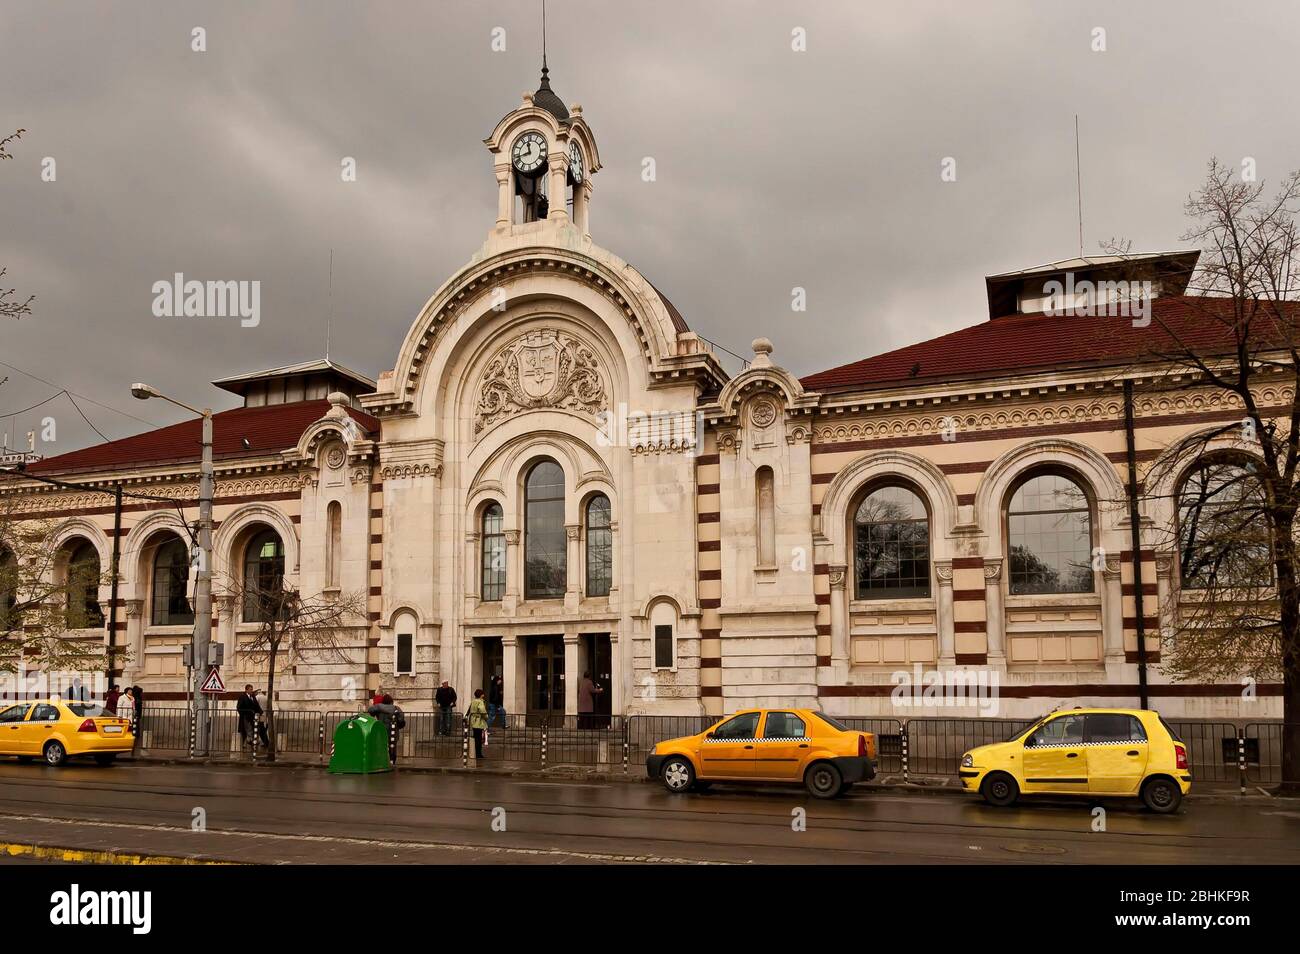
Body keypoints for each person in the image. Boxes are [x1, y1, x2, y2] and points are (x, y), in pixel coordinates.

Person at [367, 693, 406, 764]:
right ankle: (392, 761)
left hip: (382, 731)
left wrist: (376, 713)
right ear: (391, 701)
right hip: (393, 732)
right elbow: (401, 720)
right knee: (392, 747)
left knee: (381, 746)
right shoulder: (396, 708)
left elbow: (370, 710)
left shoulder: (379, 707)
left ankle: (382, 761)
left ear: (383, 701)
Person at [236, 684, 269, 751]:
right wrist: (244, 714)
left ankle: (266, 743)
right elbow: (239, 707)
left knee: (260, 728)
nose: (252, 691)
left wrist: (261, 712)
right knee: (245, 731)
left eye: (252, 689)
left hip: (254, 717)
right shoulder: (242, 697)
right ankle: (242, 744)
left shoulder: (253, 696)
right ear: (246, 690)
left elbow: (256, 706)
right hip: (246, 717)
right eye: (250, 689)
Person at [467, 689, 488, 760]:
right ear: (481, 695)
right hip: (479, 722)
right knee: (479, 739)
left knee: (476, 738)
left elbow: (469, 710)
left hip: (473, 721)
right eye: (483, 694)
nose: (484, 695)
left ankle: (475, 753)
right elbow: (482, 711)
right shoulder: (480, 702)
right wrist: (486, 717)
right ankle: (478, 754)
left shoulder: (473, 701)